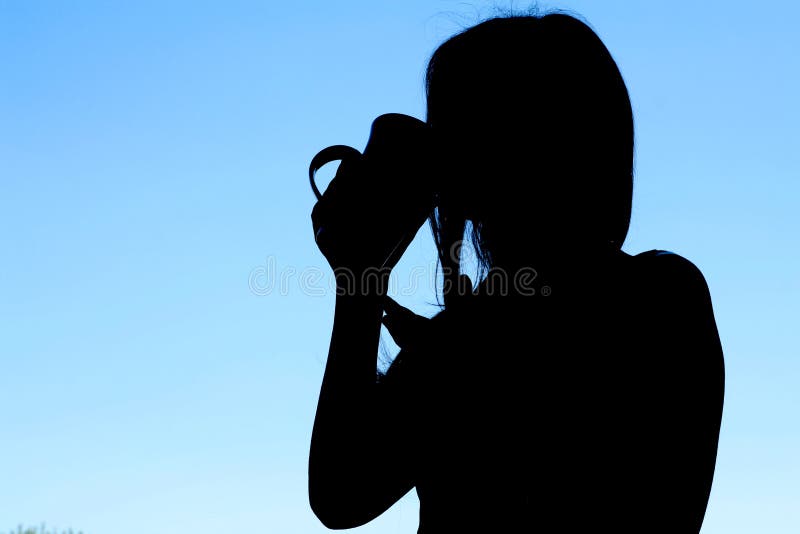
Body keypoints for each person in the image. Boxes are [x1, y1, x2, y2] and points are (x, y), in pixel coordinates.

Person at [308, 12, 725, 533]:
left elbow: (341, 492)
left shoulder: (656, 296)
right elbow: (341, 494)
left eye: (462, 126)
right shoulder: (660, 295)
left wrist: (362, 283)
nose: (443, 156)